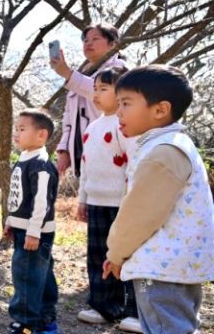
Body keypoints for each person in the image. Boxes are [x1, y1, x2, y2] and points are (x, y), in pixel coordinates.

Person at [103, 65, 214, 334]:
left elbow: (140, 214)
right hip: (177, 263)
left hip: (160, 267)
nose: (119, 112)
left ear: (160, 110)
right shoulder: (172, 143)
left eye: (126, 103)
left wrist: (117, 253)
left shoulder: (163, 152)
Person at [74, 67, 141, 332]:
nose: (97, 94)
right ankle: (102, 305)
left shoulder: (126, 126)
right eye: (95, 89)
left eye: (104, 88)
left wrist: (130, 200)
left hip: (123, 204)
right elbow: (85, 165)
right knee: (97, 256)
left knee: (127, 256)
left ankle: (134, 310)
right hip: (96, 202)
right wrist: (83, 198)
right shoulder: (92, 127)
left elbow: (133, 165)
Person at [3, 109, 59, 334]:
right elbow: (18, 197)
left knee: (26, 275)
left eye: (22, 129)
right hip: (23, 229)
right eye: (16, 129)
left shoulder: (41, 164)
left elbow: (41, 202)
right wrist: (11, 221)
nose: (16, 133)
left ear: (41, 135)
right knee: (40, 275)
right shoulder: (24, 159)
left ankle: (25, 323)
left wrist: (34, 232)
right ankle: (45, 321)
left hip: (34, 233)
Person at [50, 23, 128, 177]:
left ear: (112, 44)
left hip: (109, 145)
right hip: (82, 148)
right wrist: (64, 149)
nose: (88, 43)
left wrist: (68, 73)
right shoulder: (82, 73)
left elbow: (110, 97)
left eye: (95, 39)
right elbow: (68, 117)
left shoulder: (120, 68)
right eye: (85, 40)